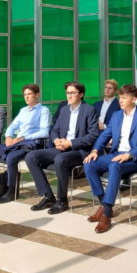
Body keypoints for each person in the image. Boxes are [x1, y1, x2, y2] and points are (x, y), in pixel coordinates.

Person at [83, 84, 137, 234]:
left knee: (114, 166)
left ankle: (106, 214)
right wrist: (95, 150)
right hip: (116, 154)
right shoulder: (116, 115)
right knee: (89, 163)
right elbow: (105, 135)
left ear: (134, 99)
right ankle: (104, 204)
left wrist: (129, 154)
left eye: (124, 97)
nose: (120, 100)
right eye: (120, 97)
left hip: (135, 158)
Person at [25, 82, 99, 214]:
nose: (69, 95)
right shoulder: (64, 110)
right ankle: (48, 196)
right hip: (62, 147)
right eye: (67, 93)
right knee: (31, 156)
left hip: (80, 150)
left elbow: (93, 136)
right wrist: (56, 140)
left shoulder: (89, 110)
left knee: (60, 159)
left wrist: (70, 143)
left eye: (73, 93)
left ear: (81, 94)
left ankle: (62, 200)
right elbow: (55, 130)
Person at [0, 84, 51, 204]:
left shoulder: (44, 110)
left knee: (11, 157)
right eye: (25, 94)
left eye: (29, 94)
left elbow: (44, 132)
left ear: (37, 95)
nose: (26, 97)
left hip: (29, 144)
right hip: (15, 143)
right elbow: (12, 126)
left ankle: (11, 191)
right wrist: (8, 136)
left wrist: (23, 138)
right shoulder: (23, 110)